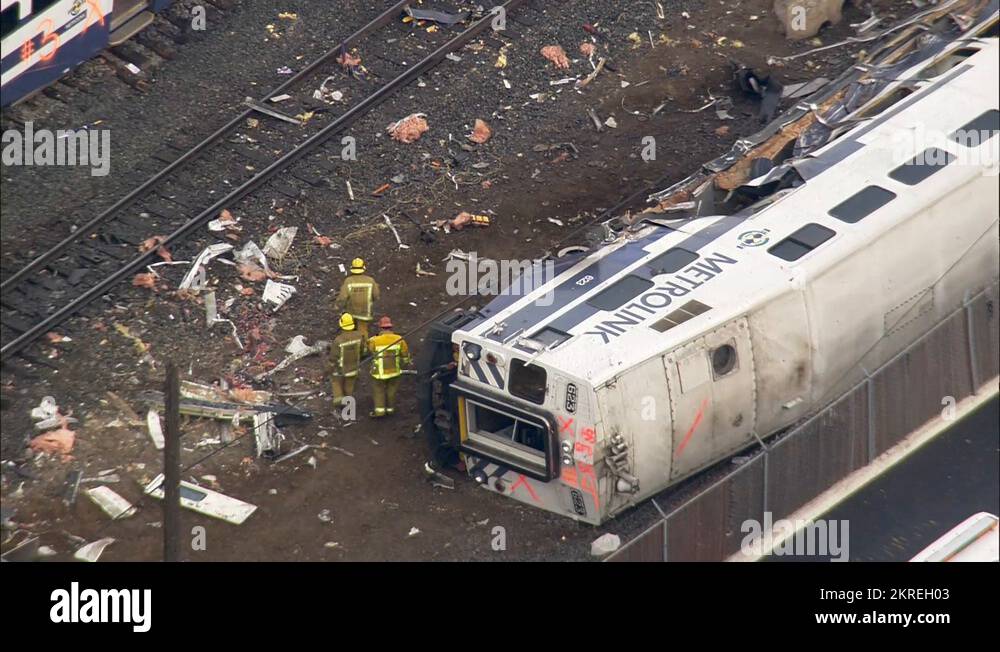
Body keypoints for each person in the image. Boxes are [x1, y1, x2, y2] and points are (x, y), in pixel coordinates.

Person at [367, 315, 411, 417]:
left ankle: (380, 411)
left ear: (380, 327)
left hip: (379, 373)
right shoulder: (399, 339)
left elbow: (370, 350)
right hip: (394, 371)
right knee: (391, 391)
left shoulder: (374, 340)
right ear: (391, 327)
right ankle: (390, 410)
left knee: (379, 391)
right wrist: (405, 362)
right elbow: (405, 354)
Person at [335, 258, 380, 338]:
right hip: (365, 312)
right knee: (363, 332)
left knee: (349, 331)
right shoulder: (370, 281)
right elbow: (376, 296)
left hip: (351, 311)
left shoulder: (348, 281)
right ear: (363, 268)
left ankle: (351, 346)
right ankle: (364, 347)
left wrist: (338, 306)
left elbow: (343, 297)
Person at [329, 313, 367, 408]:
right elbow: (363, 351)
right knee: (349, 386)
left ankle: (339, 400)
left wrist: (329, 368)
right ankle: (348, 405)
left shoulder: (338, 340)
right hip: (354, 367)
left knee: (336, 381)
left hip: (340, 369)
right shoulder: (359, 336)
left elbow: (333, 357)